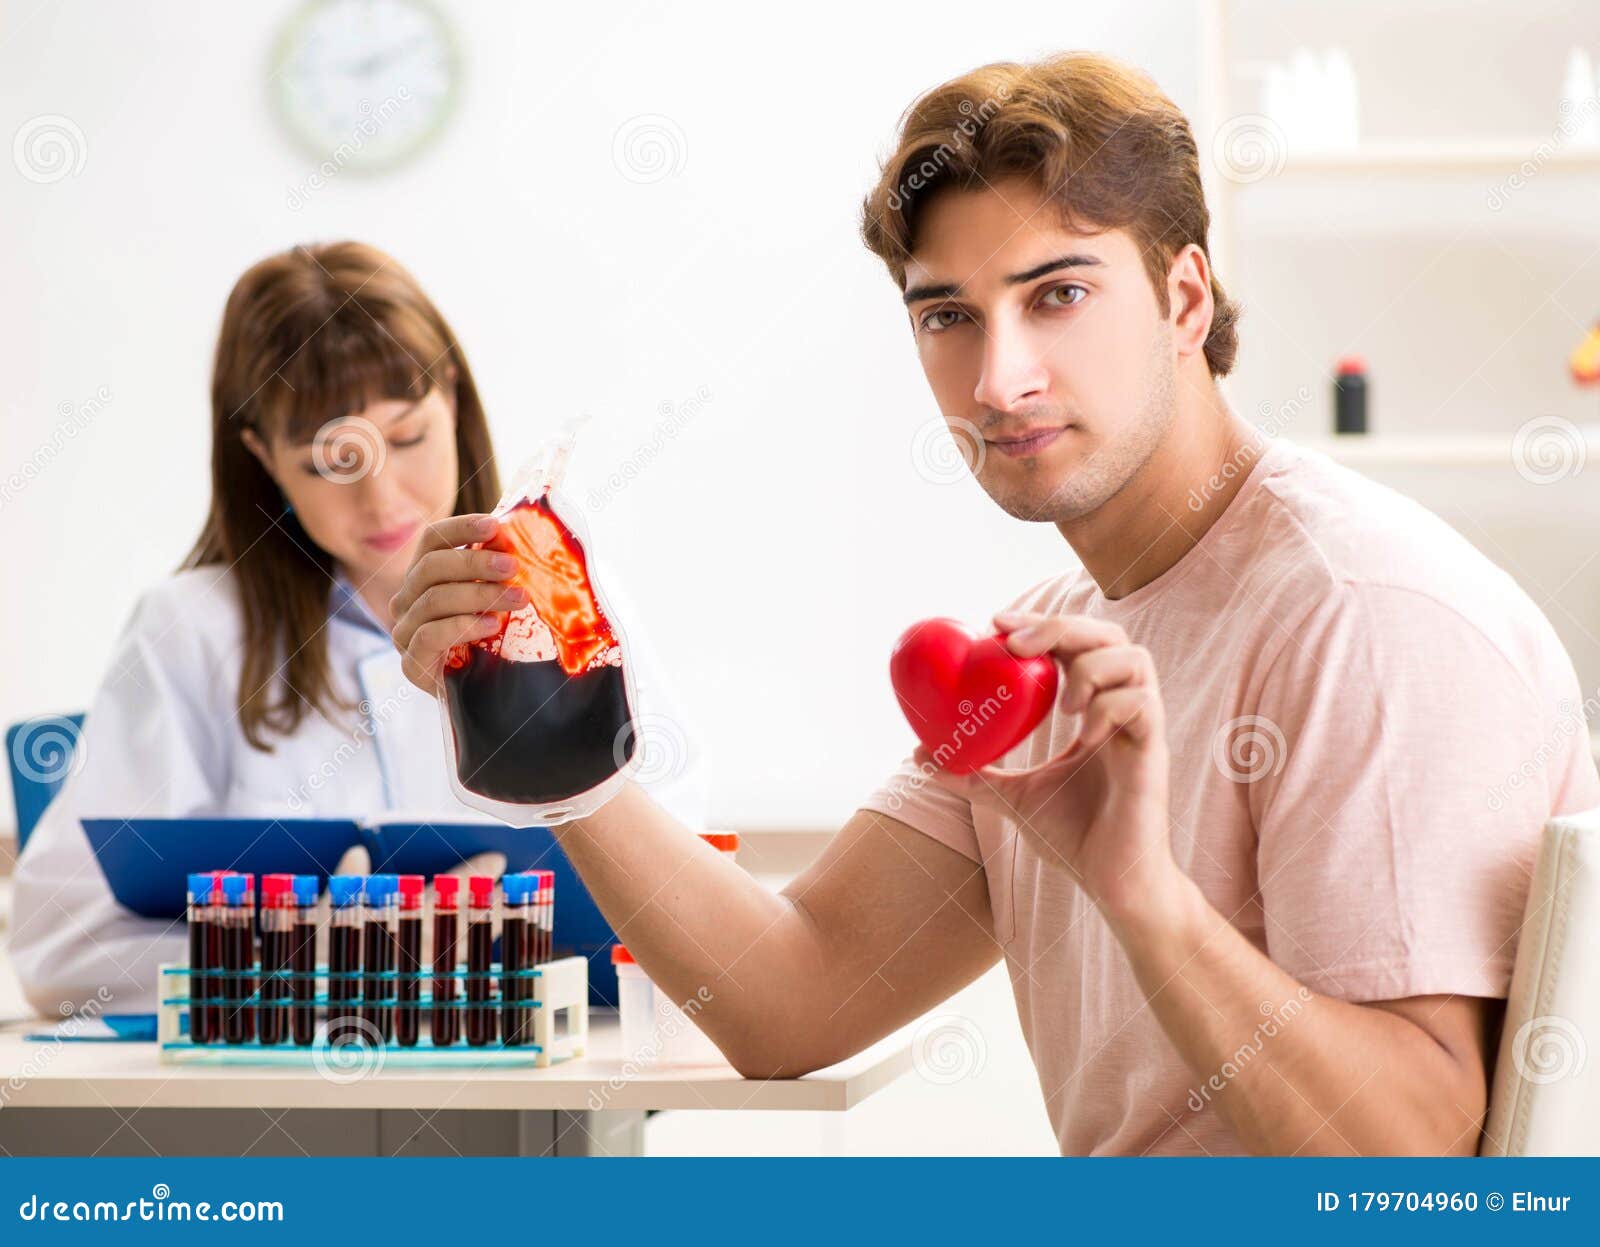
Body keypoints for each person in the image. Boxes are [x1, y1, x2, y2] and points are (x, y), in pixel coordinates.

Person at [389, 54, 1599, 1155]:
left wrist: (1145, 901)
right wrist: (560, 762)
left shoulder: (1364, 614)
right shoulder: (1052, 637)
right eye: (947, 316)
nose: (996, 377)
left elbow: (1417, 1162)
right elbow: (789, 999)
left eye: (1056, 295)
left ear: (1184, 301)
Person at [10, 241, 704, 1017]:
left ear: (452, 399)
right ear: (262, 457)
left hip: (534, 1086)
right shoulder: (191, 629)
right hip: (273, 1111)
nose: (380, 499)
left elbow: (691, 904)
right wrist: (330, 954)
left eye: (406, 438)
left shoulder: (572, 601)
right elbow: (57, 946)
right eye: (326, 461)